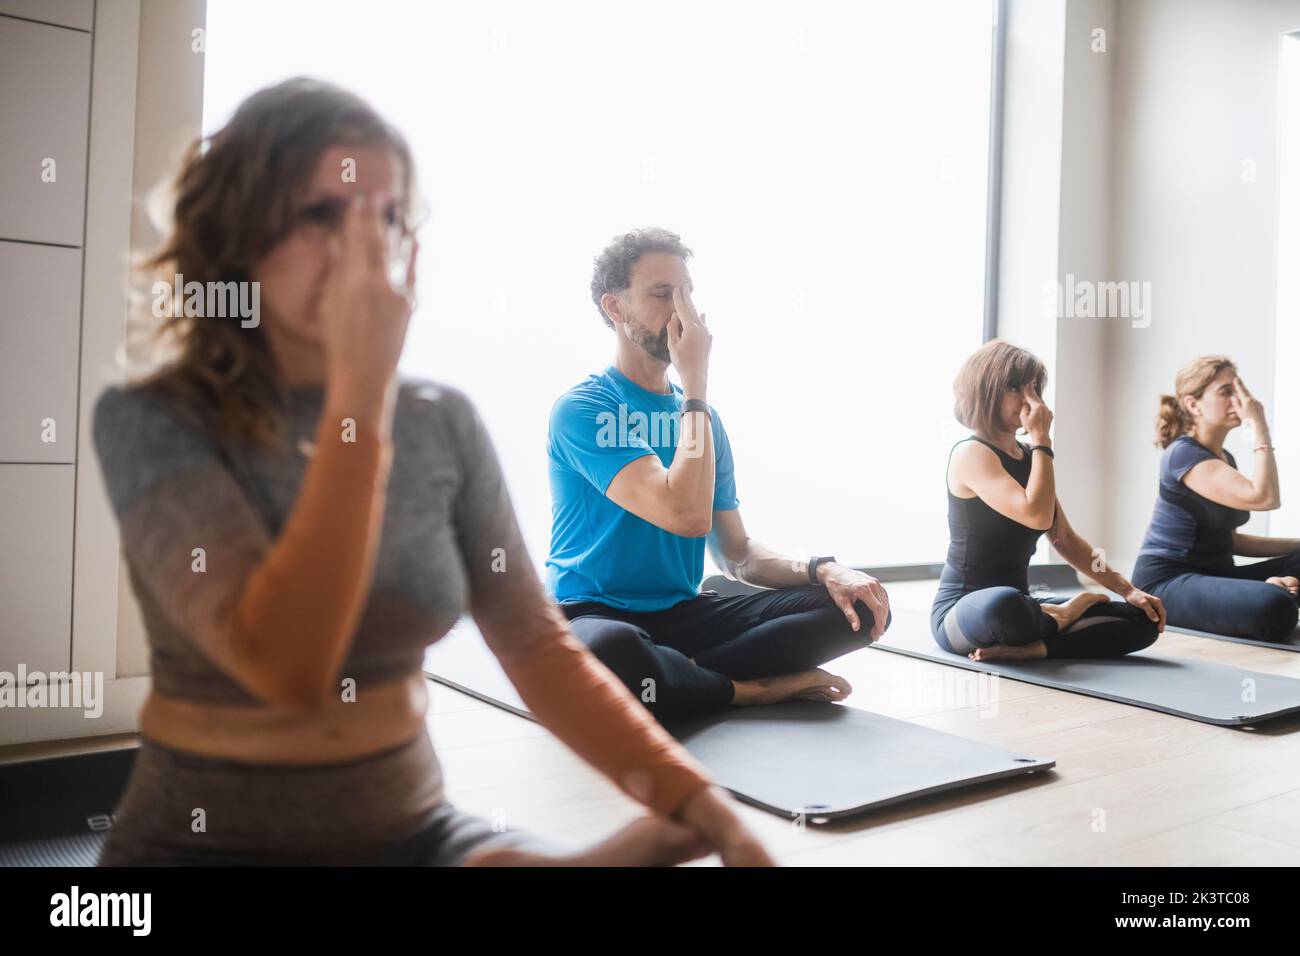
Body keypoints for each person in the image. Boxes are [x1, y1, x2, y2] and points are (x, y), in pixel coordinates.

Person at [91, 78, 771, 866]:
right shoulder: (156, 418)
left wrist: (694, 798)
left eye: (385, 219)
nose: (364, 249)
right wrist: (362, 394)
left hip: (417, 832)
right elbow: (288, 664)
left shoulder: (440, 421)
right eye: (322, 214)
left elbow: (538, 648)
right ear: (237, 233)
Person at [545, 228, 891, 717]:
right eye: (663, 294)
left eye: (687, 294)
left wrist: (824, 569)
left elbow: (737, 554)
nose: (683, 311)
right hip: (593, 614)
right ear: (614, 308)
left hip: (682, 614)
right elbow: (684, 515)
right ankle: (751, 688)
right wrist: (696, 384)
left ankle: (679, 676)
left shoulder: (703, 419)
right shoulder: (586, 409)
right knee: (614, 651)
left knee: (855, 610)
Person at [931, 340, 1164, 661]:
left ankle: (1037, 647)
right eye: (1016, 388)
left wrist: (1128, 590)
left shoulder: (1031, 457)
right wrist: (1042, 440)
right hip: (969, 610)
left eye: (1035, 389)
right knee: (1006, 607)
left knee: (1142, 621)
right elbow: (1036, 516)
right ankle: (1061, 617)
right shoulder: (971, 453)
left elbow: (1064, 538)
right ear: (986, 389)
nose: (1031, 400)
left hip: (1028, 605)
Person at [1131, 356, 1300, 643]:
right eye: (1226, 391)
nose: (1239, 398)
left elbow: (1231, 541)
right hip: (1167, 582)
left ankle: (1271, 590)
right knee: (1275, 605)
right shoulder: (1183, 454)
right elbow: (1265, 497)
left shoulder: (1224, 460)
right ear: (1193, 404)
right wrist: (1259, 424)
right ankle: (1271, 592)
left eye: (1239, 388)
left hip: (1218, 575)